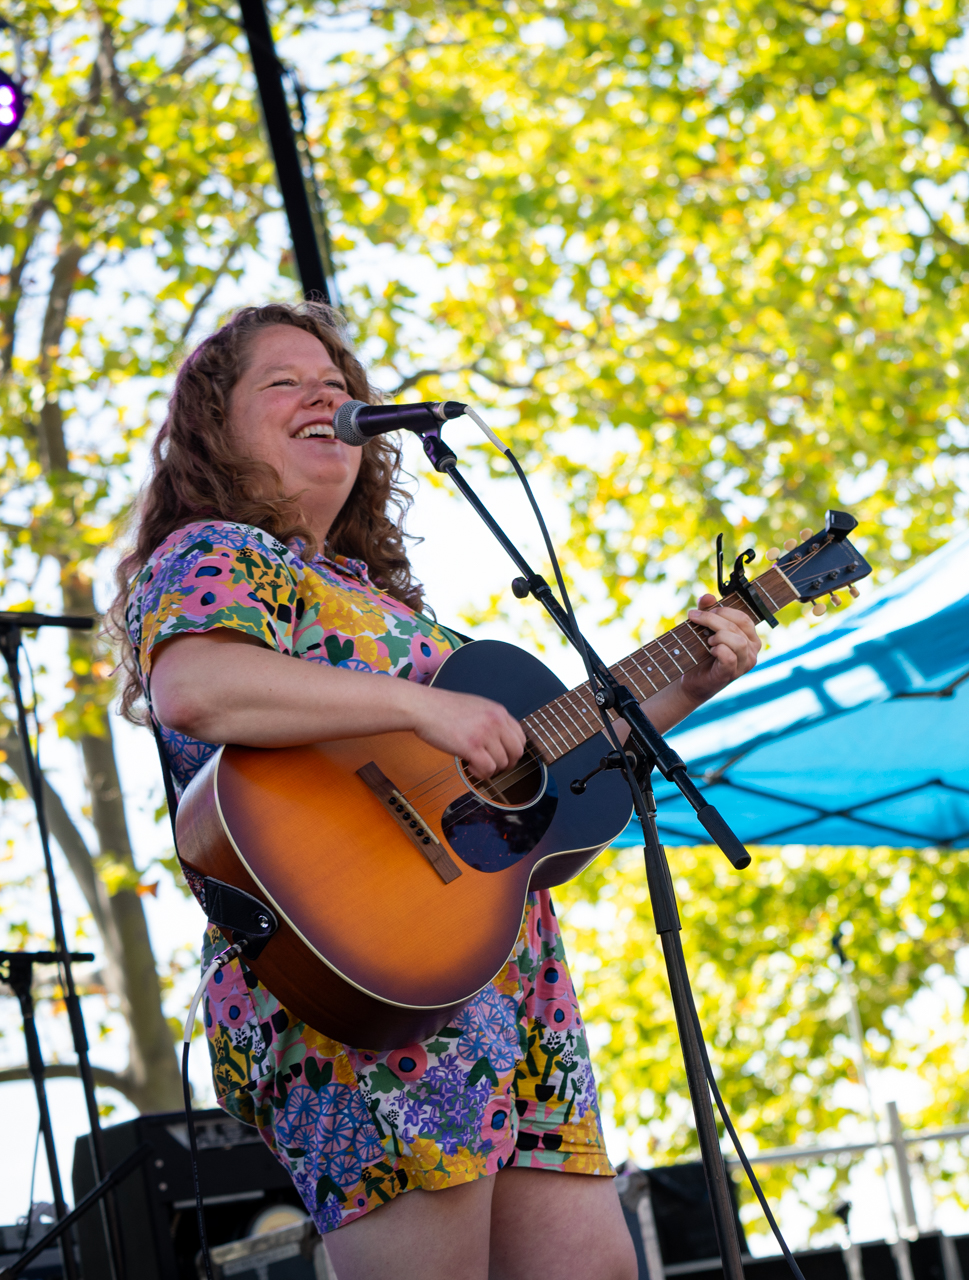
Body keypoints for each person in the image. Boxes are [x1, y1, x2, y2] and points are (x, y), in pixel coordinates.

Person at [109, 302, 764, 1279]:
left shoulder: (384, 604)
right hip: (359, 964)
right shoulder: (217, 553)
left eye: (337, 382)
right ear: (215, 427)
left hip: (507, 972)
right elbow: (196, 685)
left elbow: (553, 779)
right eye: (284, 381)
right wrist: (423, 713)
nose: (325, 394)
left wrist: (687, 681)